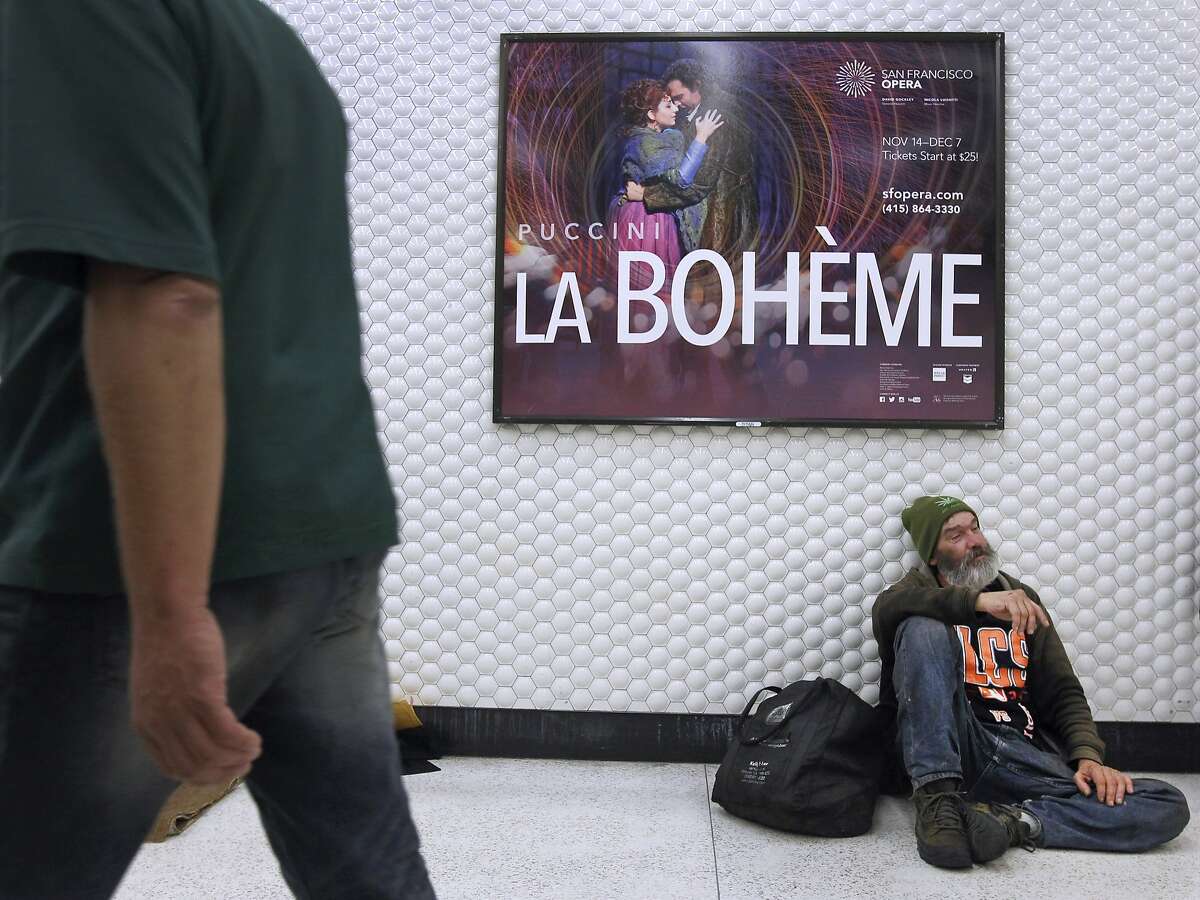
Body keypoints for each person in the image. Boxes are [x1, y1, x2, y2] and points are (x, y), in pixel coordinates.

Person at [0, 3, 435, 898]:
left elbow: (165, 291)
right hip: (319, 529)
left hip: (121, 554)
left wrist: (170, 613)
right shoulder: (266, 39)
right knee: (364, 873)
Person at [872, 495, 1190, 869]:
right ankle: (937, 801)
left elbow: (1063, 691)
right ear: (932, 556)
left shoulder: (1023, 599)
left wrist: (1088, 757)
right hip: (958, 741)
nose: (974, 541)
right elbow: (887, 609)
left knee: (1166, 804)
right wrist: (980, 604)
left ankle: (1013, 822)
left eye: (974, 528)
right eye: (955, 536)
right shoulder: (909, 597)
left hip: (1016, 755)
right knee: (921, 628)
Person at [625, 58, 758, 269]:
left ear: (697, 85)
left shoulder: (718, 114)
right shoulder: (696, 112)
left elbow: (698, 184)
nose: (676, 105)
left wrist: (647, 195)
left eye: (679, 98)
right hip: (705, 216)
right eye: (671, 101)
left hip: (720, 217)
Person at [609, 78, 724, 299]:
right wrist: (701, 137)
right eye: (668, 106)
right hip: (647, 218)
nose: (675, 110)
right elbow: (681, 179)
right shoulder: (644, 143)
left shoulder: (660, 138)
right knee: (647, 286)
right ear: (651, 115)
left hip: (648, 211)